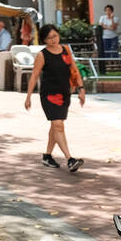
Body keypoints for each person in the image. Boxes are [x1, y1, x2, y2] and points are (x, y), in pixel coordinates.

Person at [25, 23, 86, 172]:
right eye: (49, 38)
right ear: (44, 40)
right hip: (50, 95)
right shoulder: (42, 55)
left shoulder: (65, 50)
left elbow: (74, 69)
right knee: (59, 125)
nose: (54, 40)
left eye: (55, 36)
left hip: (65, 93)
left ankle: (47, 156)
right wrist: (28, 97)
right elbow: (34, 76)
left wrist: (81, 88)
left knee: (55, 126)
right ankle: (70, 159)